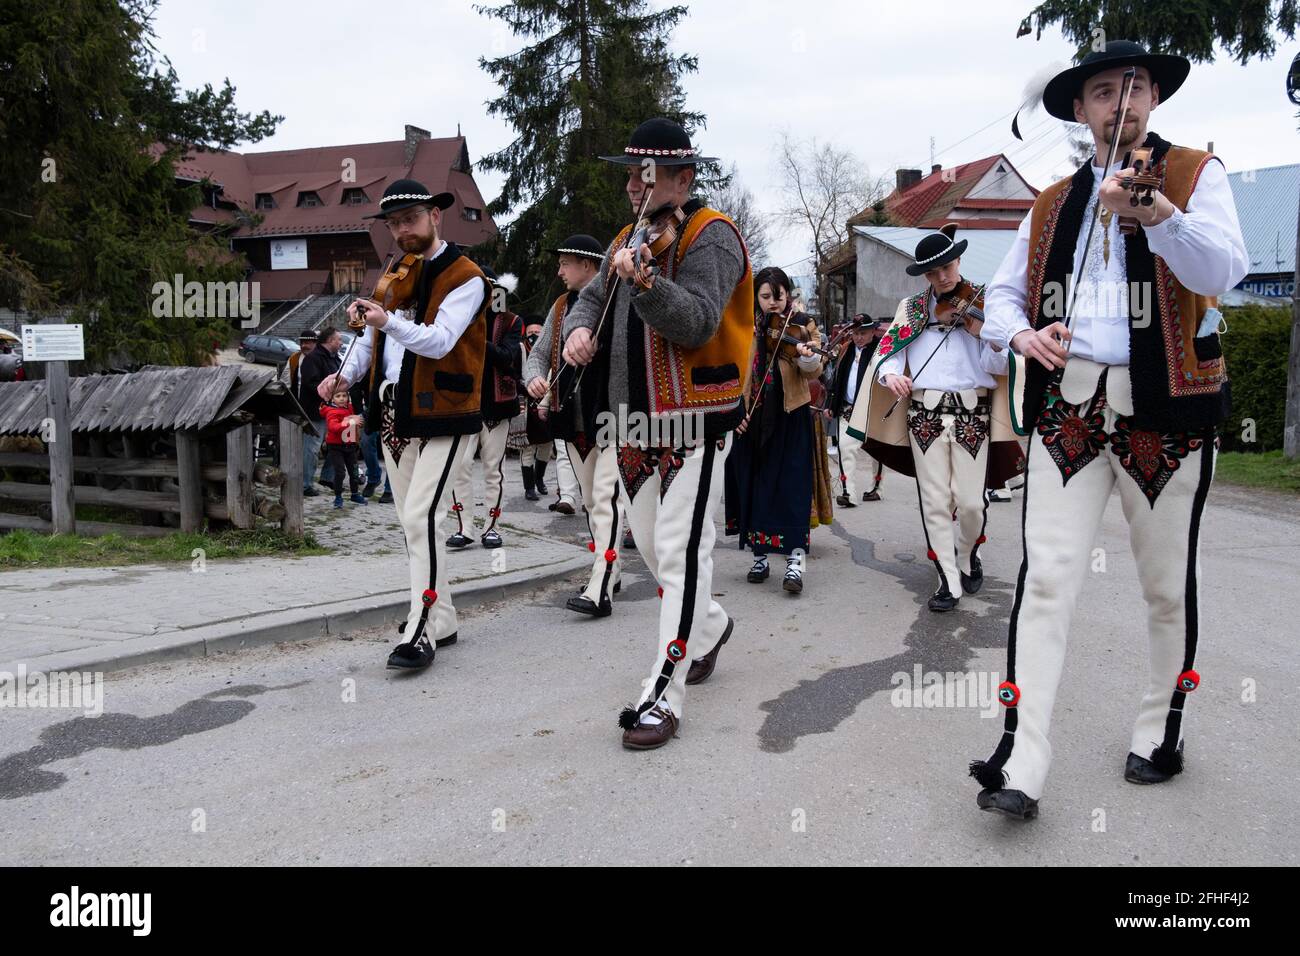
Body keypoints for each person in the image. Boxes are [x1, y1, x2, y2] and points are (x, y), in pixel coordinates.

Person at [969, 42, 1248, 820]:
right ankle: (1021, 759)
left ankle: (1161, 730)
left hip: (1166, 413)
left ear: (1153, 100)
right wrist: (1022, 338)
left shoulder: (1195, 175)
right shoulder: (1053, 200)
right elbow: (1000, 299)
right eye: (1100, 93)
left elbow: (1223, 272)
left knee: (1163, 587)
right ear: (1081, 110)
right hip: (1069, 410)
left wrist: (1157, 215)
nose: (1119, 104)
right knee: (1048, 578)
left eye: (1133, 91)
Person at [561, 118, 753, 749]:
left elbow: (697, 321)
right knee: (650, 546)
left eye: (645, 174)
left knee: (679, 550)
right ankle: (711, 624)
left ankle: (660, 695)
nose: (632, 186)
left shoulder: (712, 235)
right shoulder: (628, 235)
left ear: (682, 178)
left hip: (697, 421)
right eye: (629, 174)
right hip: (633, 422)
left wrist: (644, 280)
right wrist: (578, 332)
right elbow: (590, 300)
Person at [318, 178, 489, 672]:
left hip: (446, 412)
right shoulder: (394, 272)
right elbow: (372, 345)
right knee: (413, 525)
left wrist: (385, 319)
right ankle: (445, 616)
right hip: (394, 411)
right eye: (393, 223)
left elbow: (437, 342)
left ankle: (421, 625)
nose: (401, 231)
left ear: (436, 215)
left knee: (421, 517)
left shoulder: (467, 276)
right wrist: (342, 377)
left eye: (409, 219)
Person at [846, 225, 1023, 613]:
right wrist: (891, 373)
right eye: (933, 272)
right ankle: (948, 577)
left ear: (957, 260)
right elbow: (889, 349)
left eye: (947, 266)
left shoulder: (984, 300)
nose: (942, 277)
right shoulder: (912, 308)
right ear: (925, 275)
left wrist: (989, 337)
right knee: (935, 501)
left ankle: (967, 553)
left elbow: (998, 365)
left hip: (972, 412)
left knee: (972, 502)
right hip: (924, 413)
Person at [526, 233, 625, 616]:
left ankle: (601, 584)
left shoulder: (618, 300)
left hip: (614, 417)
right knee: (589, 501)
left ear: (587, 266)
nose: (559, 269)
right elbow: (538, 354)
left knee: (607, 498)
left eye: (565, 262)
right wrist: (534, 378)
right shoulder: (561, 305)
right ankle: (609, 566)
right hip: (572, 419)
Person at [724, 266, 826, 594]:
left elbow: (813, 371)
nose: (772, 302)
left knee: (792, 488)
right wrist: (734, 411)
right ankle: (760, 555)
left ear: (787, 294)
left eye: (778, 295)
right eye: (765, 296)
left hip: (789, 415)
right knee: (755, 486)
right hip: (751, 419)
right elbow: (734, 371)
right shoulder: (745, 327)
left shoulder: (802, 325)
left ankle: (795, 561)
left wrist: (807, 357)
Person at [447, 269, 523, 550]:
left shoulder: (512, 321)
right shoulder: (462, 320)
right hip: (465, 406)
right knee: (460, 466)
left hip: (497, 407)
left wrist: (476, 342)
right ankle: (464, 527)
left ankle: (492, 527)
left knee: (494, 469)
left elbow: (507, 358)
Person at [828, 315, 885, 505]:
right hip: (847, 408)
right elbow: (836, 381)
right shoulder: (846, 350)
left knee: (877, 451)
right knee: (845, 447)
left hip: (873, 409)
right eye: (855, 333)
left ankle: (876, 488)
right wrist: (831, 405)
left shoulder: (881, 350)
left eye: (863, 333)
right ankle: (849, 493)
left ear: (872, 332)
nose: (859, 337)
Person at [299, 327, 343, 494]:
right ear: (330, 341)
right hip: (315, 411)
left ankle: (328, 477)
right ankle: (305, 484)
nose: (341, 343)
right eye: (339, 339)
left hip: (333, 411)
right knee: (311, 448)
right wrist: (331, 392)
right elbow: (311, 384)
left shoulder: (335, 359)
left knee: (338, 444)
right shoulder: (313, 359)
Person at [320, 384, 366, 508]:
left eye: (344, 396)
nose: (342, 398)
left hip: (350, 446)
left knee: (355, 472)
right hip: (336, 447)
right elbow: (333, 427)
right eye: (338, 396)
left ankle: (355, 494)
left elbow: (354, 422)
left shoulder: (349, 408)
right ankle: (338, 497)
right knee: (340, 473)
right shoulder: (331, 412)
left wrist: (358, 423)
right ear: (332, 399)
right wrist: (352, 421)